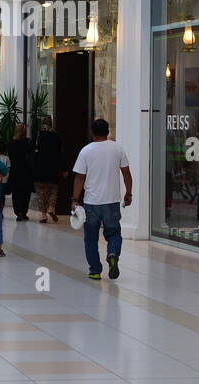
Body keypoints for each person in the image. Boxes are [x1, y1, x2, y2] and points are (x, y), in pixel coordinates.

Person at [70, 118, 132, 281]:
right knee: (114, 233)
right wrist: (129, 193)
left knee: (91, 238)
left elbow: (79, 178)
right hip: (111, 202)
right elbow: (126, 173)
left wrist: (75, 199)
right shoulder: (117, 149)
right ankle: (112, 253)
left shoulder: (86, 151)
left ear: (92, 132)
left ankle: (95, 270)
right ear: (108, 132)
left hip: (91, 203)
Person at [33, 116, 63, 224]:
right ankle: (51, 207)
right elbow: (60, 154)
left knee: (41, 193)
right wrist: (64, 168)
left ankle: (43, 215)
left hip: (39, 168)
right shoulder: (56, 137)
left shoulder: (37, 136)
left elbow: (32, 152)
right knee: (53, 190)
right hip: (53, 168)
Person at [7, 123, 34, 221]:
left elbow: (10, 156)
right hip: (26, 171)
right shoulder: (27, 142)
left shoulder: (11, 143)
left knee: (16, 193)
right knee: (25, 193)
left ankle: (18, 212)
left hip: (15, 171)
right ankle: (23, 211)